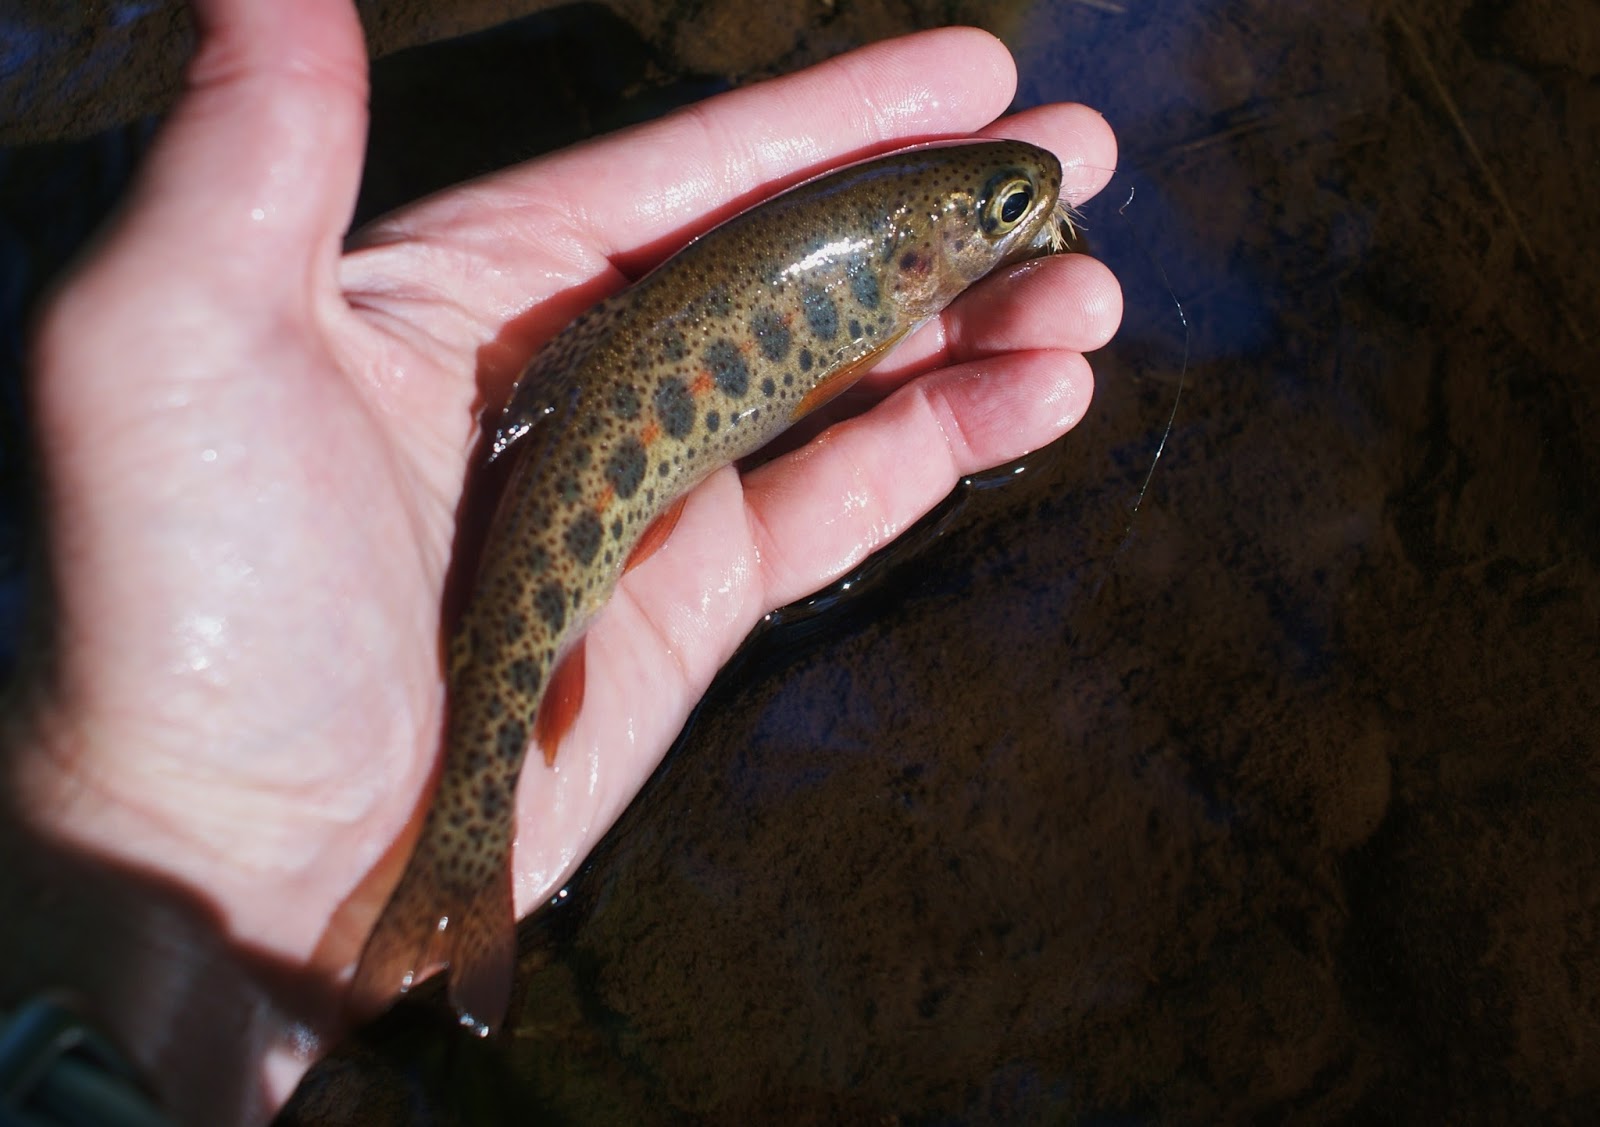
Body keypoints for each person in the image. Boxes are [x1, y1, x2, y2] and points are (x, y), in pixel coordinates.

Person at [1, 0, 1121, 1123]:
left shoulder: (910, 248)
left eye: (1015, 206)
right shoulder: (902, 263)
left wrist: (126, 882)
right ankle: (459, 860)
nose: (1028, 215)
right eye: (1011, 210)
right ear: (922, 254)